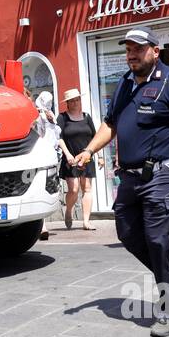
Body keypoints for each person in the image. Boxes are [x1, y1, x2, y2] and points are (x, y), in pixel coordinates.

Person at [74, 29, 169, 337]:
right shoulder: (125, 83)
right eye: (128, 49)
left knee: (158, 238)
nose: (131, 54)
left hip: (167, 172)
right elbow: (111, 124)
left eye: (138, 49)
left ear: (155, 50)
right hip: (131, 175)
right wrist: (88, 150)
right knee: (126, 232)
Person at [57, 88, 101, 230]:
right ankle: (69, 211)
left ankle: (86, 221)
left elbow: (96, 138)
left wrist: (99, 156)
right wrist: (67, 154)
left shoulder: (87, 117)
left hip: (86, 157)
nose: (75, 103)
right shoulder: (62, 118)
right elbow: (58, 138)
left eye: (77, 100)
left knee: (87, 188)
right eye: (72, 101)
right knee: (74, 189)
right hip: (71, 159)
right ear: (67, 103)